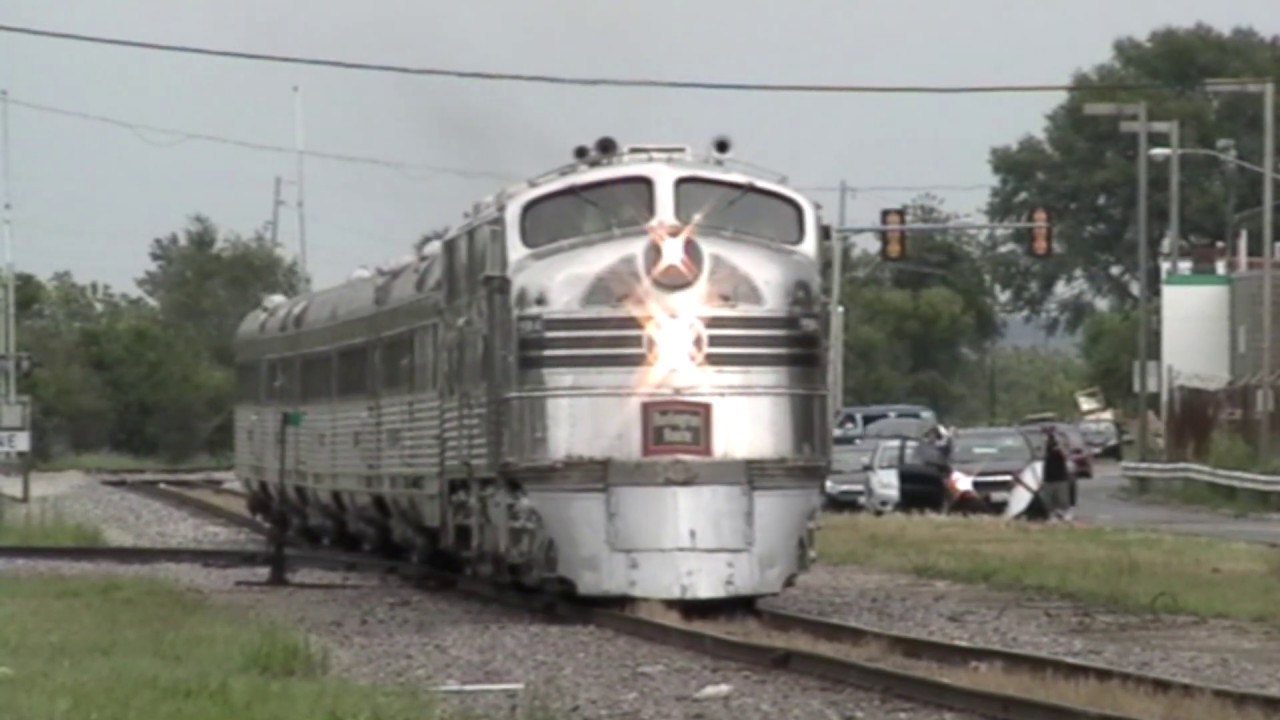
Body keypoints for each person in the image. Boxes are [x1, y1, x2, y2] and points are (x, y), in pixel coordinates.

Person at [1040, 426, 1074, 521]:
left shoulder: (1059, 447)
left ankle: (1065, 512)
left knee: (1062, 497)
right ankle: (1052, 514)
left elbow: (1066, 455)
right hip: (1048, 476)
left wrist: (1059, 446)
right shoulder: (1045, 447)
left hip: (1060, 476)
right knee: (1049, 498)